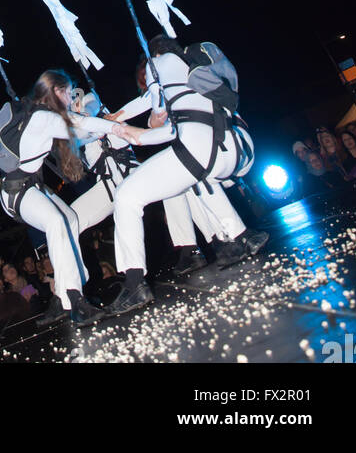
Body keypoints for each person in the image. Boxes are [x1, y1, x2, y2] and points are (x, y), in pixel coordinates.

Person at [104, 37, 268, 317]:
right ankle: (240, 236)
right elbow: (170, 126)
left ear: (153, 56)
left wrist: (112, 122)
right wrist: (142, 132)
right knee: (195, 178)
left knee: (126, 196)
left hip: (201, 149)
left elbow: (151, 110)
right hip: (237, 149)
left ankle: (134, 283)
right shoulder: (195, 69)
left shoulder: (158, 65)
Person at [0, 69, 110, 327]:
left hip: (31, 187)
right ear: (56, 92)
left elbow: (81, 132)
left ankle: (60, 298)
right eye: (68, 92)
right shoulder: (41, 117)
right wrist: (120, 128)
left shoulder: (43, 116)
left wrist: (93, 123)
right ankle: (75, 302)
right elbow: (80, 128)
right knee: (57, 222)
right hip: (15, 192)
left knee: (70, 219)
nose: (70, 97)